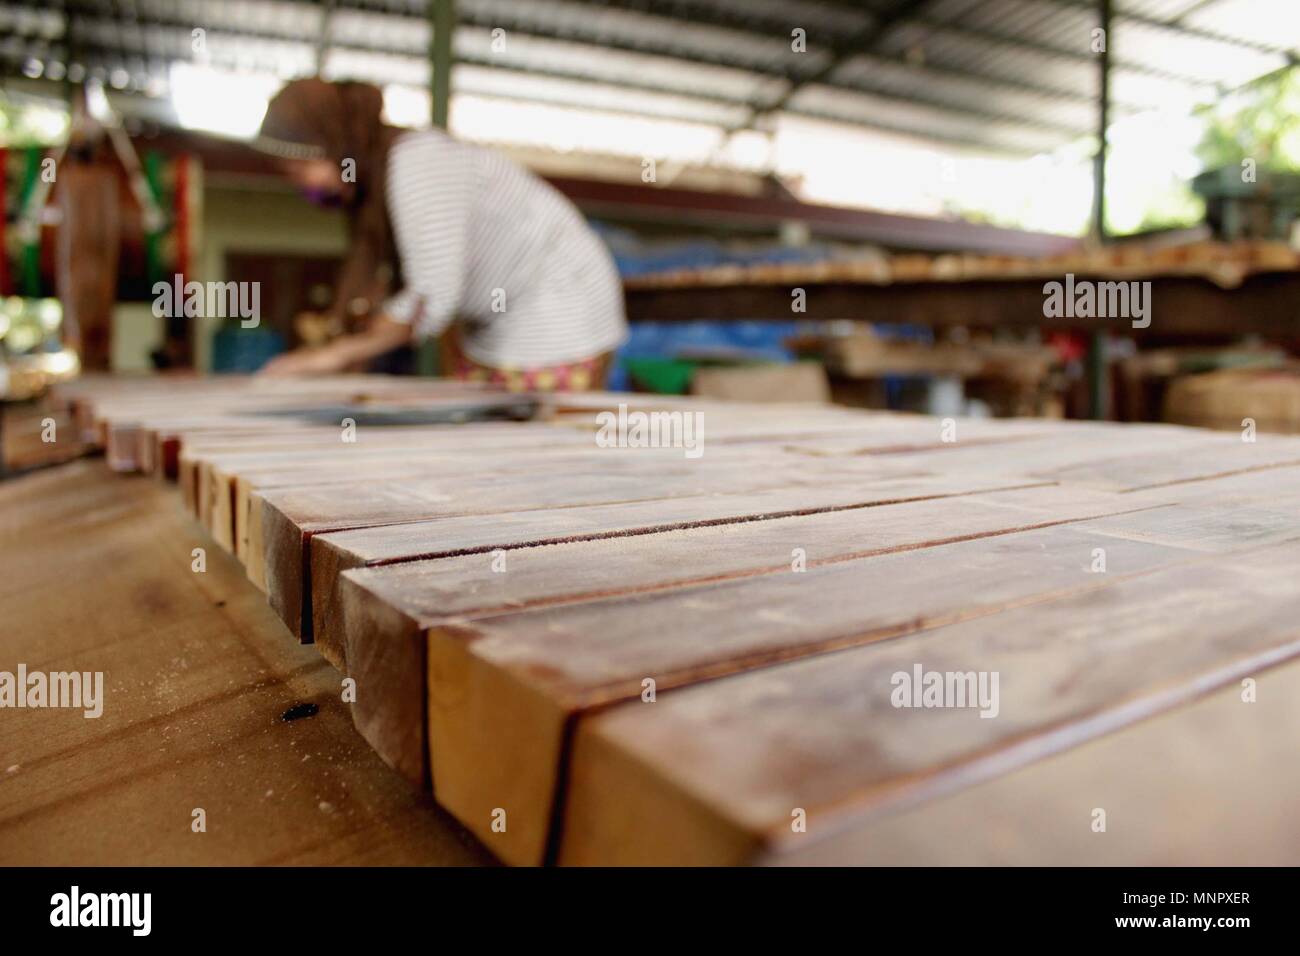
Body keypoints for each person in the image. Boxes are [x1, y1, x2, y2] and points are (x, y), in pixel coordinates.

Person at [255, 78, 626, 390]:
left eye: (301, 168)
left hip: (558, 316)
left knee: (531, 453)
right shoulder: (376, 190)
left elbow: (431, 297)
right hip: (492, 330)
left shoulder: (419, 164)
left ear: (335, 146)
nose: (301, 184)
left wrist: (331, 357)